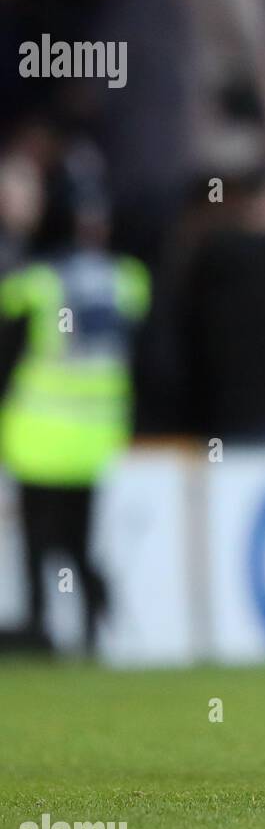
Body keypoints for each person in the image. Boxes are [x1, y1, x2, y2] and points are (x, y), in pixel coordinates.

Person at [0, 144, 150, 653]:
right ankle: (89, 630)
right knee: (79, 539)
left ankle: (40, 627)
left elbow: (9, 351)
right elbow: (149, 357)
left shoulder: (37, 282)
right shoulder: (126, 281)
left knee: (38, 541)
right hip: (96, 433)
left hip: (36, 430)